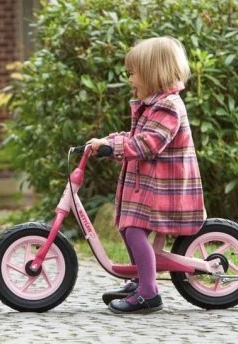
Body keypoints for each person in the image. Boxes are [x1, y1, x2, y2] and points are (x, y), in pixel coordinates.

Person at [87, 36, 206, 314]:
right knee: (128, 226)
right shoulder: (154, 105)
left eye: (133, 73)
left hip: (164, 188)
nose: (130, 80)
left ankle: (148, 292)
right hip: (150, 186)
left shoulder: (168, 106)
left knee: (133, 228)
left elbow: (148, 143)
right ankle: (141, 278)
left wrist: (112, 147)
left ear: (153, 73)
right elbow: (136, 136)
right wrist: (109, 140)